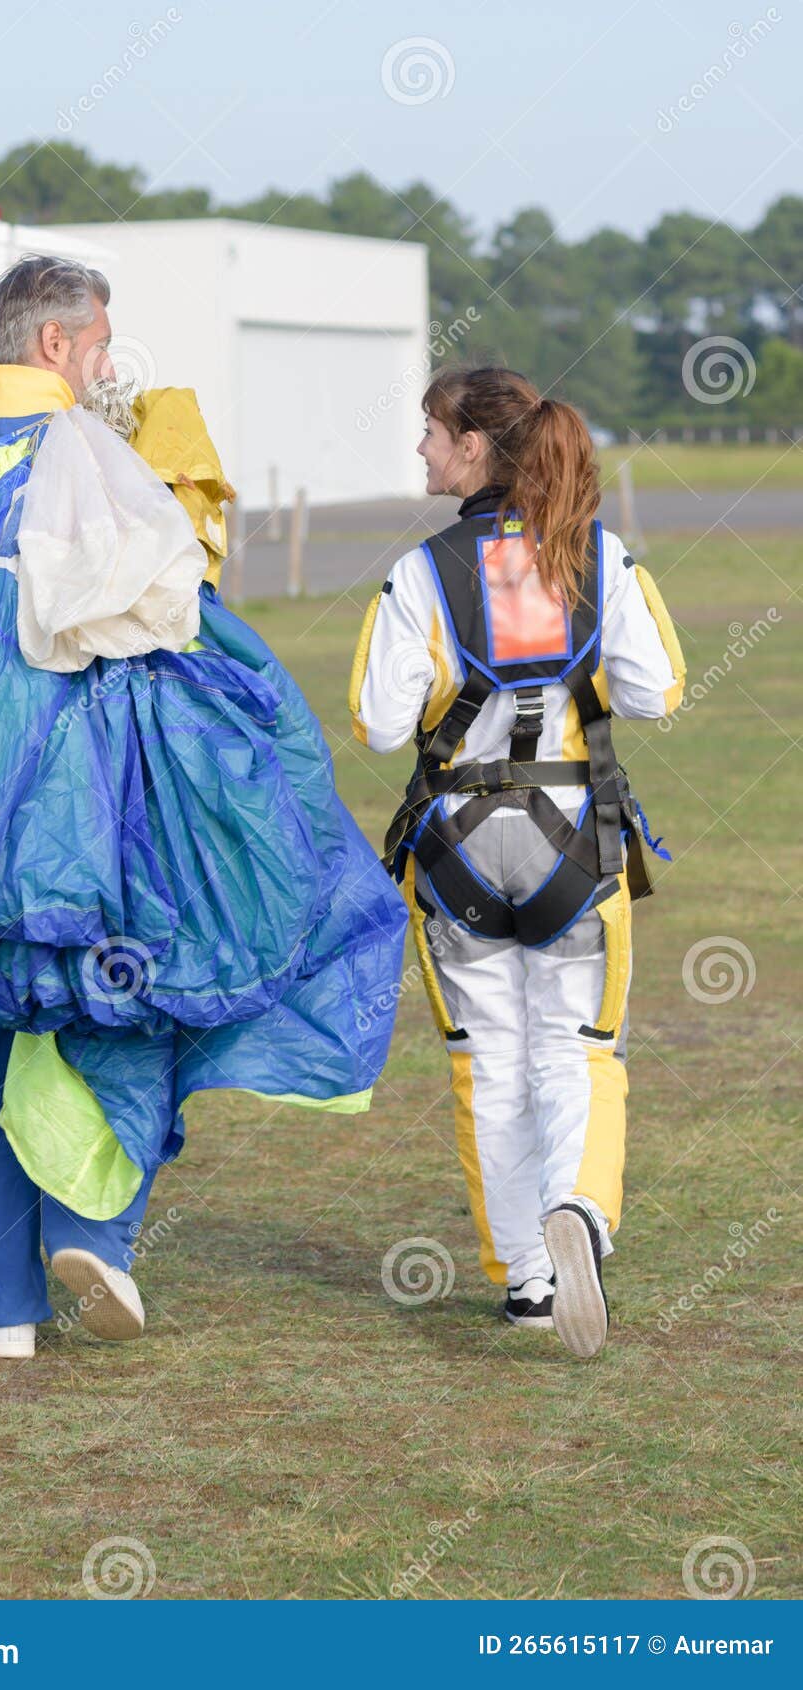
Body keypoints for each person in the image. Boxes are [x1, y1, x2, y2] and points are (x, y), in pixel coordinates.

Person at [0, 255, 408, 1360]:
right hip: (94, 819)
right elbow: (178, 605)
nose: (114, 364)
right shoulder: (103, 461)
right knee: (130, 1002)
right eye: (103, 344)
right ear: (56, 347)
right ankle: (94, 1229)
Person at [349, 365, 685, 1359]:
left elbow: (373, 726)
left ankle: (528, 1284)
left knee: (485, 1066)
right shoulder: (597, 554)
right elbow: (658, 692)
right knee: (576, 1050)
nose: (420, 449)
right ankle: (577, 1206)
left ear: (473, 449)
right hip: (576, 839)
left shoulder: (423, 571)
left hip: (453, 847)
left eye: (431, 433)